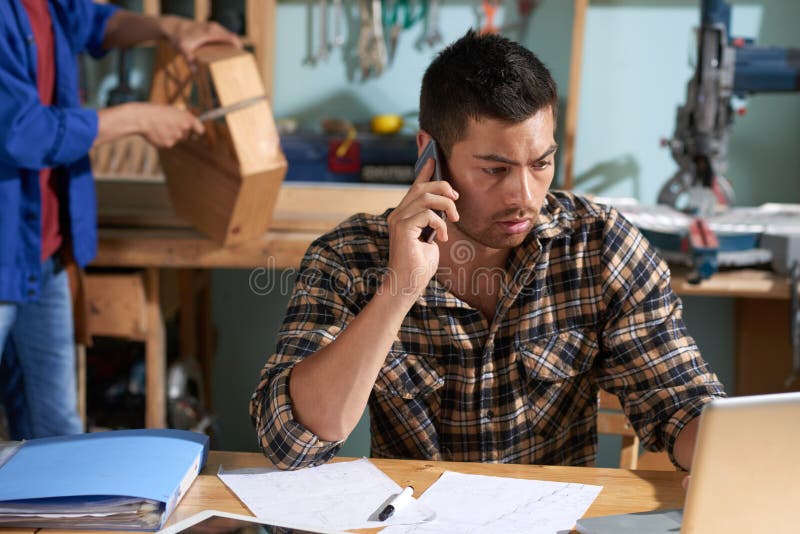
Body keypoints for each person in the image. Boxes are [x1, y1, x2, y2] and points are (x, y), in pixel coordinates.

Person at [250, 30, 726, 471]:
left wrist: (721, 455)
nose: (524, 195)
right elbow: (292, 443)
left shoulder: (598, 246)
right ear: (429, 154)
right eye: (495, 170)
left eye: (541, 163)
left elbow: (680, 403)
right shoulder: (350, 258)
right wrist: (398, 291)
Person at [0, 0, 241, 439]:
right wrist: (138, 118)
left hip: (45, 254)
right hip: (5, 252)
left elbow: (91, 21)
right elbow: (22, 132)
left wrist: (168, 27)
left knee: (58, 437)